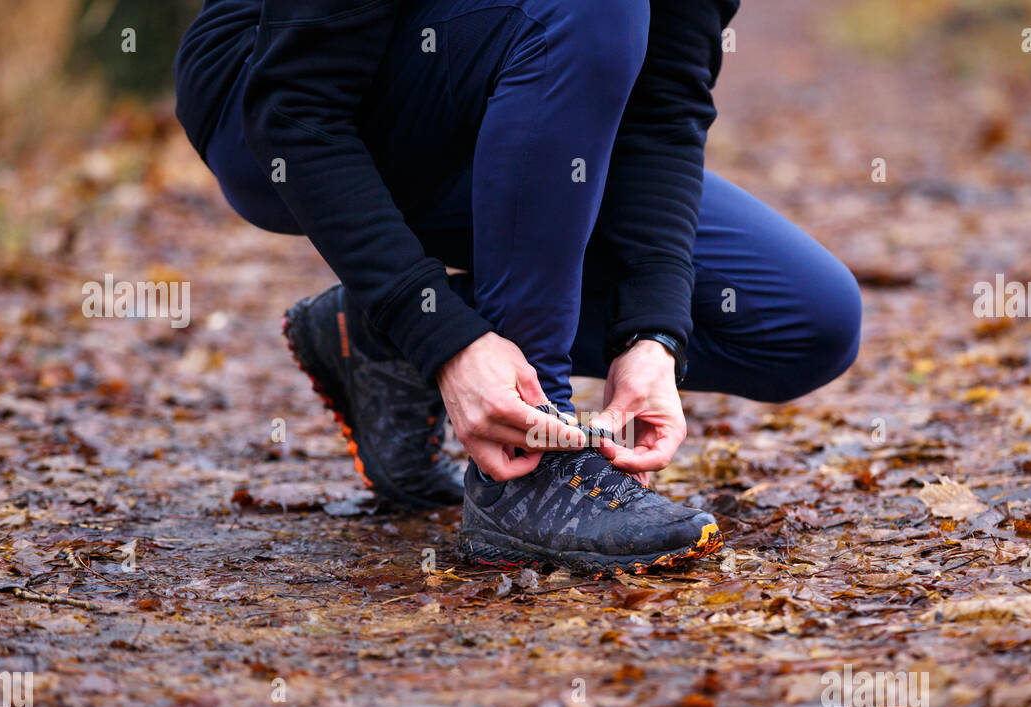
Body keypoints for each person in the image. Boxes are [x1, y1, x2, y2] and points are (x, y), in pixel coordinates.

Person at [174, 0, 861, 574]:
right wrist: (445, 343)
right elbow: (294, 110)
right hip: (275, 101)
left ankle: (376, 336)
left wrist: (651, 332)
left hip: (526, 91)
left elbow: (661, 109)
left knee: (804, 321)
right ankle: (535, 472)